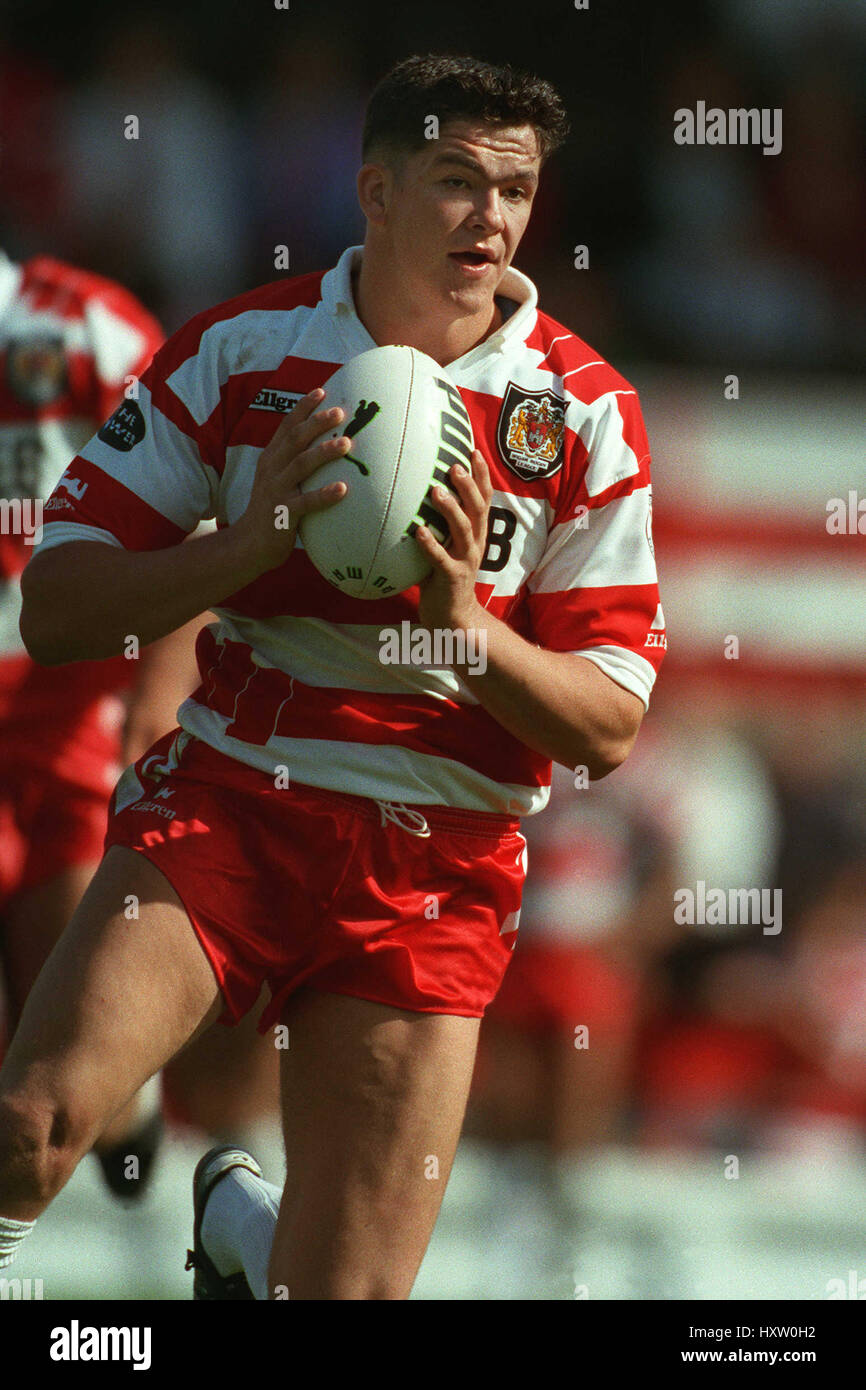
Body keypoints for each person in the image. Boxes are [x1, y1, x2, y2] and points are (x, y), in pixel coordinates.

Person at [0, 54, 665, 1300]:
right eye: (456, 181)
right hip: (234, 798)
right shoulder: (237, 351)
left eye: (513, 190)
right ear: (373, 188)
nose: (489, 217)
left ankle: (247, 1241)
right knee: (28, 1124)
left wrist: (464, 624)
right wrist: (242, 547)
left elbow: (610, 724)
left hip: (440, 859)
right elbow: (57, 607)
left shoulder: (581, 414)